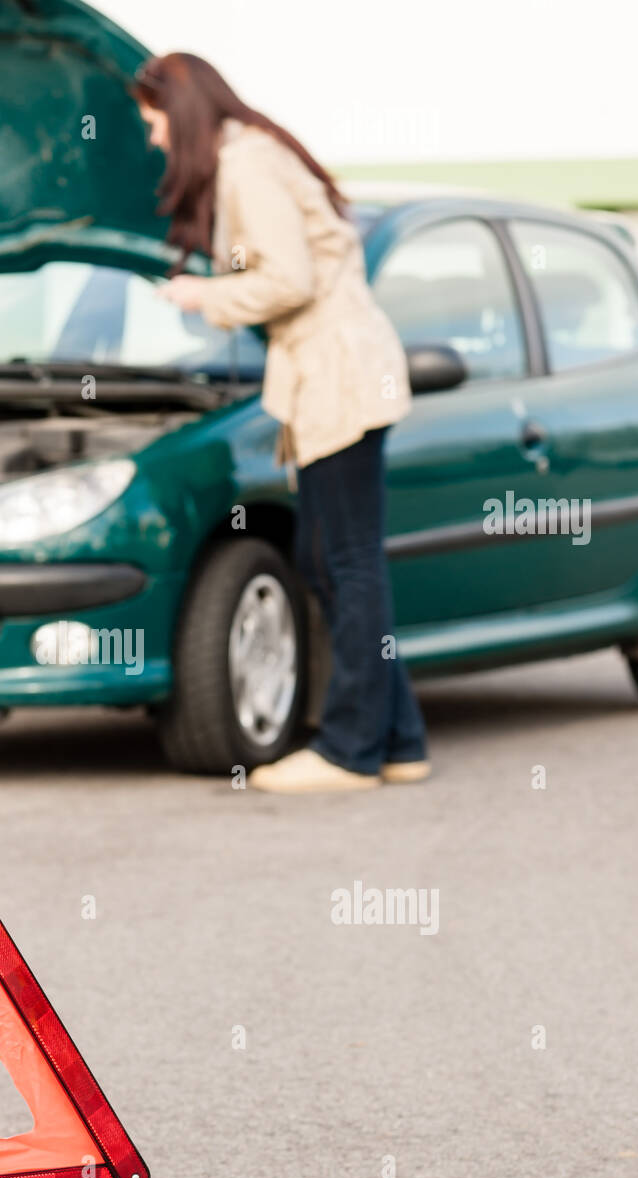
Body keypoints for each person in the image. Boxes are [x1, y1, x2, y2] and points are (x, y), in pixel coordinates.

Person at [133, 53, 429, 792]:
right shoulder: (252, 155)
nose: (153, 139)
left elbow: (289, 280)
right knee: (335, 560)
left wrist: (205, 296)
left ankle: (350, 751)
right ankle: (398, 739)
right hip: (333, 373)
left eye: (154, 122)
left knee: (346, 564)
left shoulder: (247, 165)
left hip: (338, 375)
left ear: (182, 112)